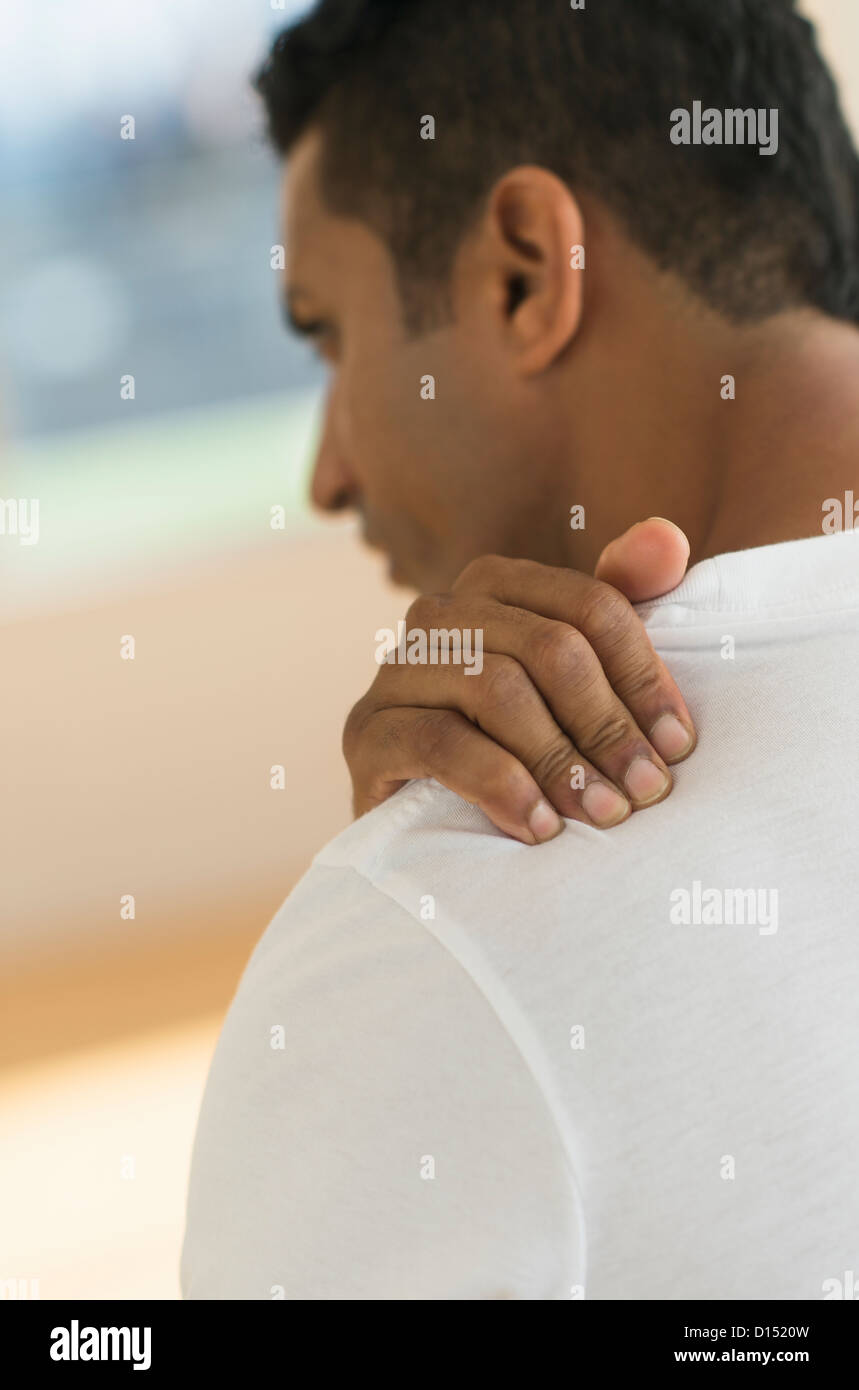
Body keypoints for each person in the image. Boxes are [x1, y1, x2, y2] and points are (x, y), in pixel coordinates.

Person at [181, 0, 859, 1299]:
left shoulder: (421, 939)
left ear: (525, 273)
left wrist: (411, 912)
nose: (328, 473)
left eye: (328, 331)